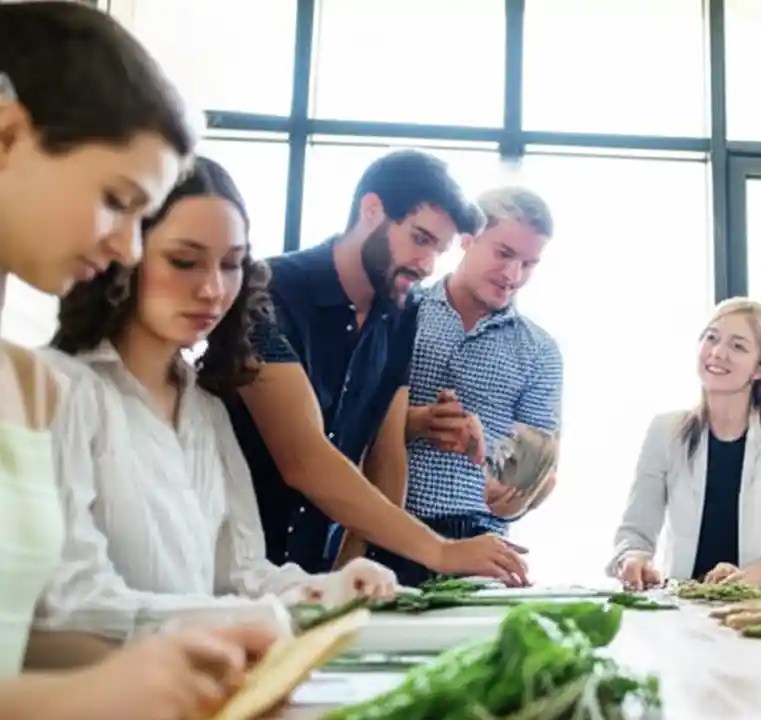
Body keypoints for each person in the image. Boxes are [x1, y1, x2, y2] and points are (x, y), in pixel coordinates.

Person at [0, 2, 275, 717]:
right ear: (6, 138)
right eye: (117, 201)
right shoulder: (61, 384)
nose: (126, 247)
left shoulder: (23, 382)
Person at [36, 156, 397, 640]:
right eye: (184, 261)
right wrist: (239, 620)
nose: (212, 289)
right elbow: (69, 603)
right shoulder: (56, 390)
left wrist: (331, 591)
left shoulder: (206, 409)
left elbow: (243, 574)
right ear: (123, 253)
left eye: (231, 265)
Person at [223, 151, 528, 585]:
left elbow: (386, 451)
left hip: (312, 579)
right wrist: (440, 550)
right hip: (234, 565)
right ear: (372, 210)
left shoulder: (400, 312)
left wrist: (353, 571)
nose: (426, 264)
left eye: (439, 250)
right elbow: (304, 459)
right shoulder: (268, 290)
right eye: (419, 238)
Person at [347, 187, 562, 586]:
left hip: (481, 545)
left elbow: (534, 475)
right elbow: (342, 420)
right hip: (386, 527)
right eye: (504, 254)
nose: (513, 276)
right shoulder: (397, 312)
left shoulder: (541, 352)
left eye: (529, 263)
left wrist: (497, 461)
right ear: (467, 239)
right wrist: (411, 422)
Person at [609, 298, 761, 589]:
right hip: (684, 599)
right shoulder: (666, 431)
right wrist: (633, 558)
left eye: (738, 346)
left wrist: (747, 579)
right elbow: (635, 532)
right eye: (711, 338)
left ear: (760, 367)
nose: (718, 353)